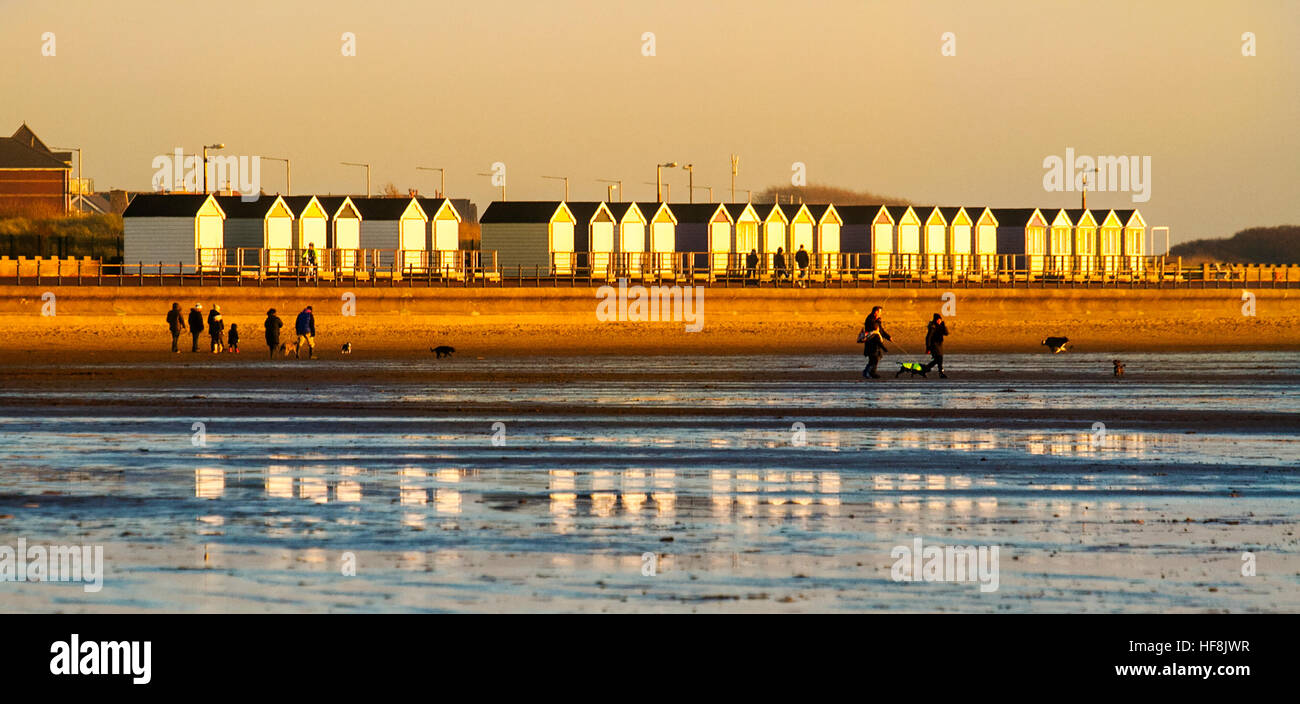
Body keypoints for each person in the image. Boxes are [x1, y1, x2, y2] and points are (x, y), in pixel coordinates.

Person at [860, 305, 891, 379]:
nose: (880, 314)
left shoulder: (876, 319)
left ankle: (872, 372)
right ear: (876, 312)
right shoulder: (870, 319)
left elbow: (881, 330)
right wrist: (878, 321)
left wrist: (888, 337)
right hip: (871, 342)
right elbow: (874, 330)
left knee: (877, 357)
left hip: (876, 341)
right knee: (873, 358)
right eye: (880, 312)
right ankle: (867, 372)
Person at [922, 313, 950, 378]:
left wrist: (943, 325)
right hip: (933, 345)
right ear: (935, 320)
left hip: (939, 345)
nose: (939, 321)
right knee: (939, 359)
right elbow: (928, 338)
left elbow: (946, 333)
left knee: (937, 360)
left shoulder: (940, 326)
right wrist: (928, 348)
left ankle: (925, 369)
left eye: (940, 320)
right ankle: (941, 373)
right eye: (938, 320)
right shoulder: (933, 327)